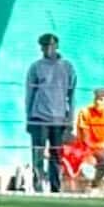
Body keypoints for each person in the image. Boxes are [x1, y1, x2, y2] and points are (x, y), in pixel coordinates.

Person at [26, 33, 77, 193]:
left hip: (59, 119)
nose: (48, 49)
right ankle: (38, 185)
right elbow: (29, 94)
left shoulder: (68, 67)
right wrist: (28, 118)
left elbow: (72, 95)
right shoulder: (36, 67)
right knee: (38, 153)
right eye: (44, 46)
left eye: (51, 45)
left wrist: (70, 121)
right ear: (40, 47)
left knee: (56, 155)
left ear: (57, 46)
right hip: (39, 118)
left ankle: (56, 188)